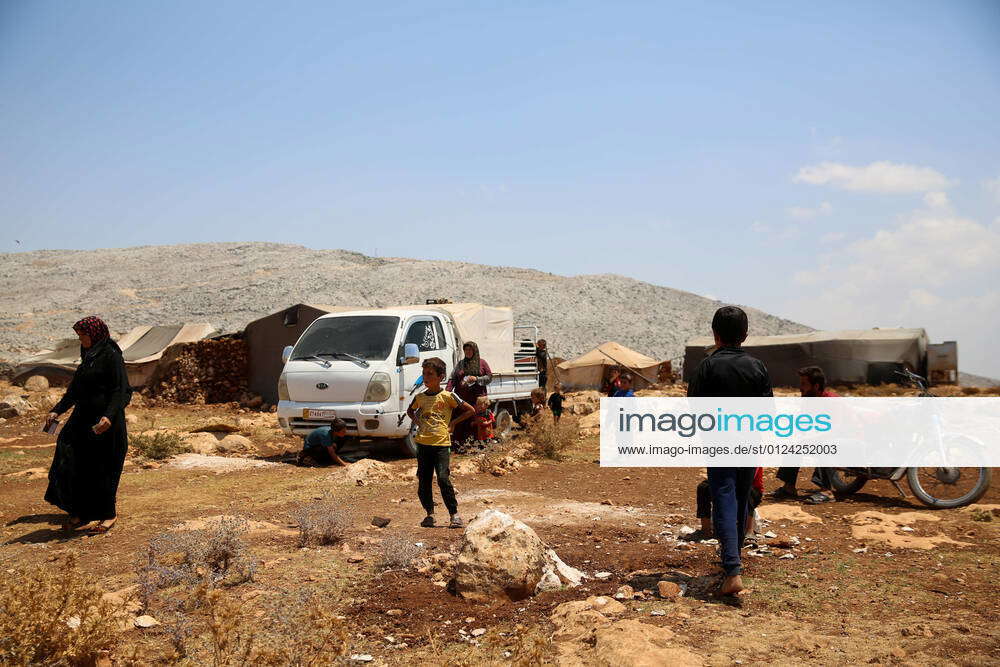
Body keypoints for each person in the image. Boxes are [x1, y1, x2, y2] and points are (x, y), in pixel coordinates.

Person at [687, 305, 773, 596]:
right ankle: (732, 563)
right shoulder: (758, 366)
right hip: (749, 441)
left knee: (722, 495)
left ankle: (732, 569)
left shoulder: (707, 366)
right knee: (741, 496)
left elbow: (694, 407)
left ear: (715, 334)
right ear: (745, 335)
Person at [43, 316, 131, 534]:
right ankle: (79, 512)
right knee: (72, 462)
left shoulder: (111, 355)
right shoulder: (88, 355)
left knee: (103, 468)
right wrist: (57, 409)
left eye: (83, 335)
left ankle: (108, 514)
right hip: (82, 418)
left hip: (106, 423)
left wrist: (109, 416)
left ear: (95, 334)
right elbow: (75, 389)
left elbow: (120, 391)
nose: (81, 339)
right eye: (79, 335)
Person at [407, 357, 474, 529]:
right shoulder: (420, 397)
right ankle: (429, 515)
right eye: (424, 373)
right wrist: (418, 422)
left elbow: (470, 410)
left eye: (430, 374)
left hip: (442, 445)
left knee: (443, 478)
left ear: (441, 377)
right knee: (424, 480)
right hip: (422, 445)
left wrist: (452, 423)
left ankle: (454, 515)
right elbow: (410, 410)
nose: (426, 377)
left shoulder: (448, 396)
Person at [773, 366, 840, 504]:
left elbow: (836, 430)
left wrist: (812, 438)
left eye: (804, 384)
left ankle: (827, 491)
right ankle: (789, 487)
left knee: (824, 444)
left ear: (816, 386)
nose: (800, 388)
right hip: (831, 438)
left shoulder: (832, 401)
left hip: (851, 441)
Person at [694, 467, 764, 538]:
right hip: (727, 482)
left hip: (749, 484)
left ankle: (749, 530)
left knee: (747, 492)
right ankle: (706, 530)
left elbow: (749, 476)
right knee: (703, 488)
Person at [446, 341, 492, 443]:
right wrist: (447, 392)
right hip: (462, 400)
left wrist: (476, 379)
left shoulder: (482, 363)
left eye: (470, 349)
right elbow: (452, 378)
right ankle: (461, 446)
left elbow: (489, 377)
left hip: (477, 400)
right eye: (466, 350)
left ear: (475, 350)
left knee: (476, 423)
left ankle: (477, 446)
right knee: (461, 422)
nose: (468, 351)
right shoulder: (461, 364)